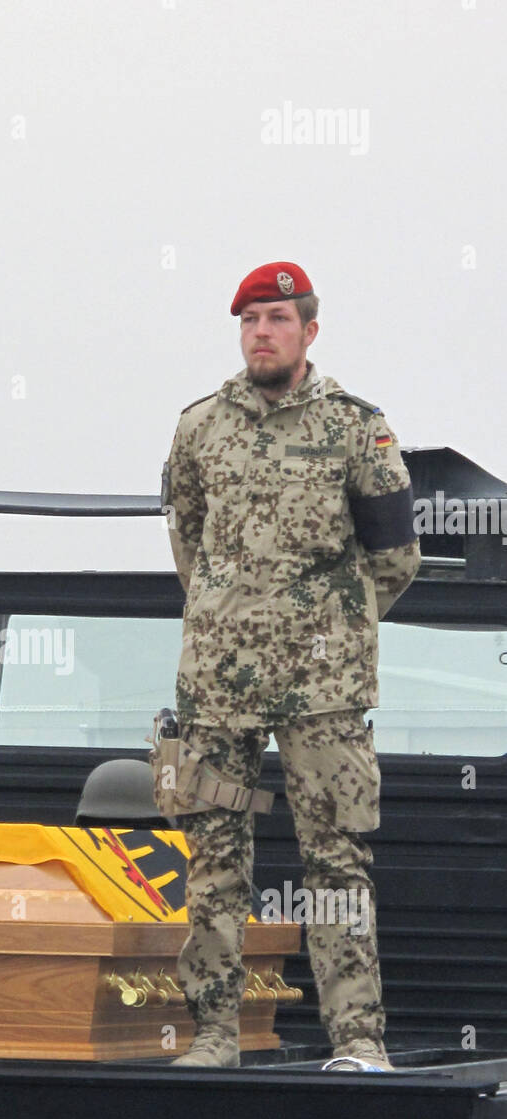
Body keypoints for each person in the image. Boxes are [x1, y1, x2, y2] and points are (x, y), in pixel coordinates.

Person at [160, 261, 420, 1071]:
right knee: (212, 861)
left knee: (336, 861)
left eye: (276, 318)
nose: (260, 334)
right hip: (217, 684)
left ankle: (357, 1040)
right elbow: (187, 542)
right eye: (249, 321)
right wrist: (230, 619)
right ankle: (214, 1034)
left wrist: (330, 630)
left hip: (323, 690)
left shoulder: (357, 428)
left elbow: (395, 556)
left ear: (310, 330)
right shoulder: (201, 425)